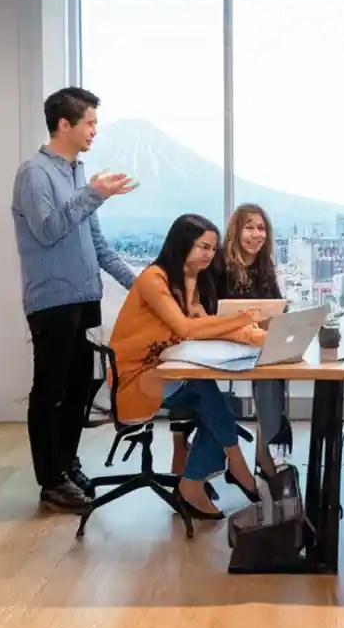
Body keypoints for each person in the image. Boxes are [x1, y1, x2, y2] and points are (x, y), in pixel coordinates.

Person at [12, 86, 140, 513]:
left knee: (82, 385)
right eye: (89, 123)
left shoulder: (77, 173)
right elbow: (48, 230)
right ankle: (50, 481)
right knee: (50, 391)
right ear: (63, 125)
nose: (94, 132)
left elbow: (96, 243)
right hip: (52, 301)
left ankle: (66, 464)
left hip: (85, 297)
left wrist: (138, 282)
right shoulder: (34, 173)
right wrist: (94, 195)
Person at [110, 214, 267, 520]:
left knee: (224, 403)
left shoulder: (189, 279)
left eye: (212, 248)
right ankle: (233, 464)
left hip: (165, 371)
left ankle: (193, 482)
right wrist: (244, 319)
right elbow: (185, 328)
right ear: (182, 245)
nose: (208, 254)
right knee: (204, 388)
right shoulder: (154, 279)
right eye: (202, 247)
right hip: (134, 380)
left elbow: (203, 323)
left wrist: (252, 335)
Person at [212, 203, 289, 476]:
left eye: (261, 228)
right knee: (270, 367)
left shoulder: (263, 266)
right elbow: (211, 311)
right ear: (236, 230)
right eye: (250, 227)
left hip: (256, 342)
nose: (256, 234)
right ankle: (266, 451)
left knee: (275, 366)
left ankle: (265, 448)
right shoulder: (218, 264)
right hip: (220, 342)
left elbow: (279, 306)